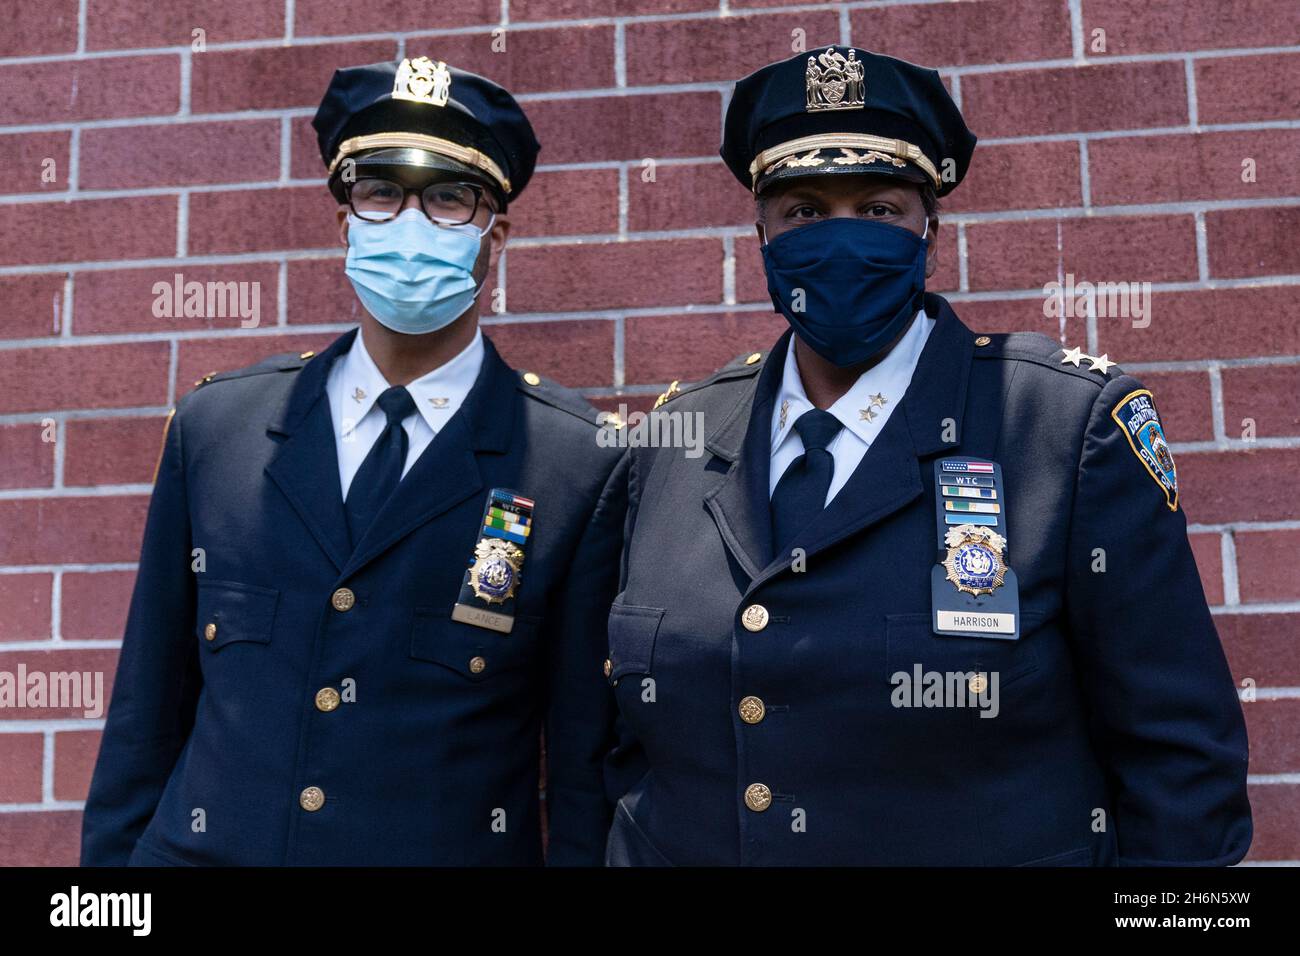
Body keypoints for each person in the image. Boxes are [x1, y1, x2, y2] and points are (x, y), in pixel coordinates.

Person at [602, 46, 1251, 866]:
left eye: (878, 208)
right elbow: (629, 758)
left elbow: (1183, 761)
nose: (840, 241)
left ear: (930, 233)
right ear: (759, 235)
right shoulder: (677, 441)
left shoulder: (1063, 427)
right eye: (803, 210)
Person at [81, 57, 624, 866]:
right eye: (380, 193)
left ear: (493, 238)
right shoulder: (221, 427)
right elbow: (145, 712)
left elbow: (582, 765)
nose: (409, 222)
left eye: (447, 198)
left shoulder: (573, 461)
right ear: (346, 226)